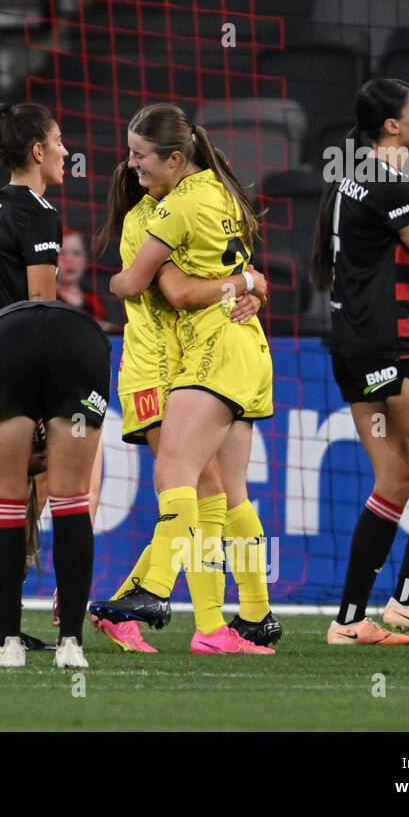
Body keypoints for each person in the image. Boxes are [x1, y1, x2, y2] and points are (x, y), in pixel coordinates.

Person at [89, 105, 280, 651]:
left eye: (139, 157)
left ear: (175, 158)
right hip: (157, 368)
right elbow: (184, 290)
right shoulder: (163, 214)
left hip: (198, 360)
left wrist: (249, 287)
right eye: (128, 159)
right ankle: (217, 615)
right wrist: (249, 284)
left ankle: (154, 600)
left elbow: (165, 286)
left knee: (206, 490)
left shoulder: (176, 209)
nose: (129, 167)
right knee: (208, 489)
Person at [309, 77, 409, 645]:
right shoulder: (386, 180)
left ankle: (350, 621)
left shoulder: (350, 179)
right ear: (391, 126)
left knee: (395, 480)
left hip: (353, 355)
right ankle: (408, 601)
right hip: (394, 350)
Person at [0, 102, 66, 653]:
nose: (67, 151)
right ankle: (6, 622)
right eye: (59, 140)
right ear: (37, 151)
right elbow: (41, 307)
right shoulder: (38, 212)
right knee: (23, 496)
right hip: (16, 364)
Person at [0, 298, 110, 669]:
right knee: (71, 501)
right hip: (80, 340)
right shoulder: (64, 462)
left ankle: (9, 645)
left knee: (4, 499)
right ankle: (70, 645)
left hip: (2, 340)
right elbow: (85, 499)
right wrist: (70, 592)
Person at [56, 229, 117, 331]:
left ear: (85, 260)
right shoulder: (47, 296)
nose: (68, 260)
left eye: (76, 253)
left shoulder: (94, 301)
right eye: (61, 253)